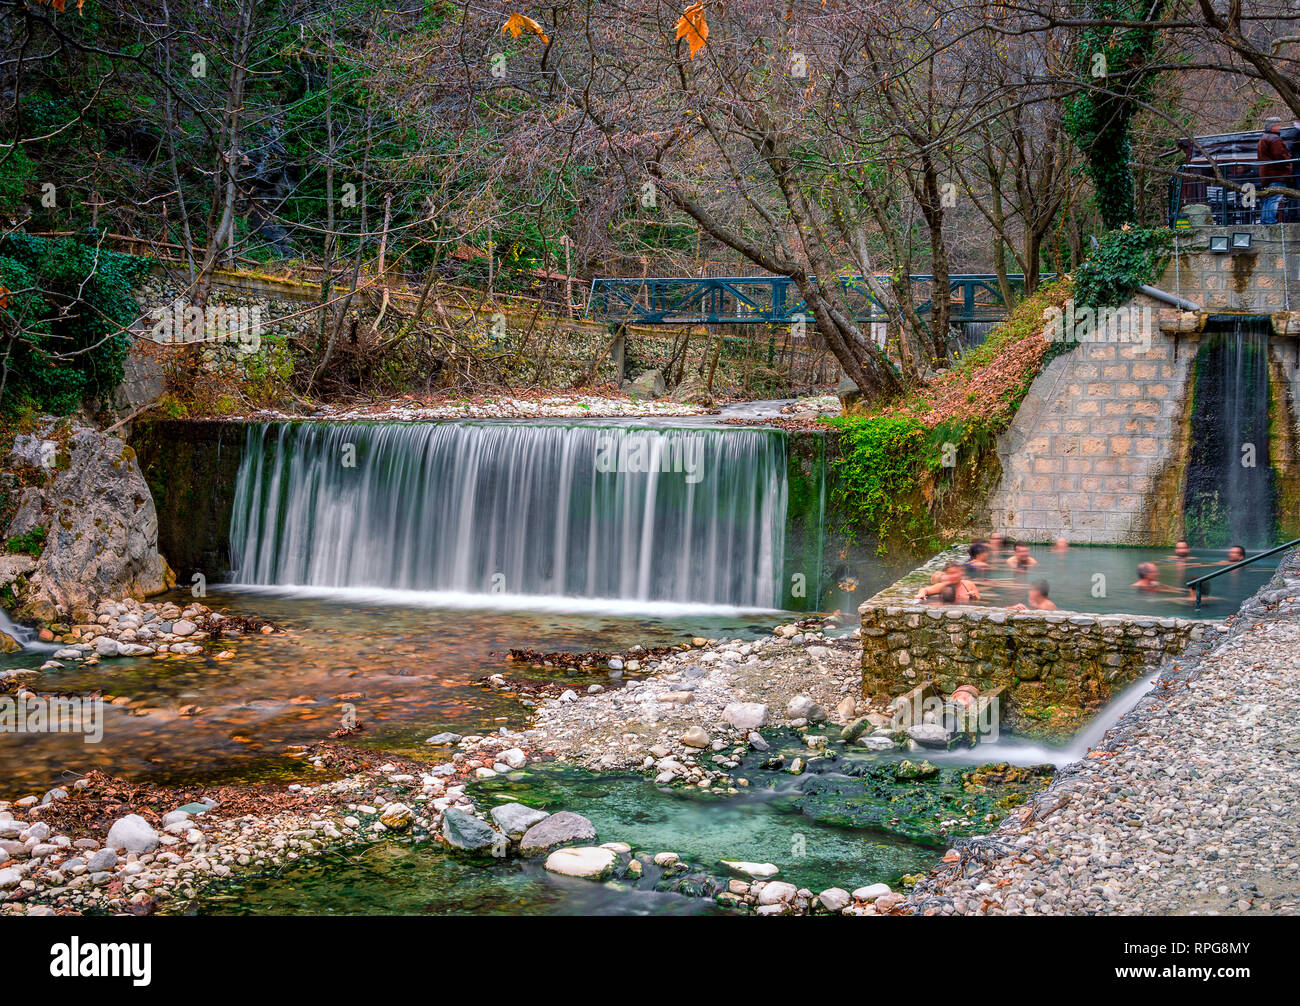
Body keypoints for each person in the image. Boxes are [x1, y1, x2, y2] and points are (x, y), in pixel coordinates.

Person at [1257, 122, 1293, 224]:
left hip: (1267, 175)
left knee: (1269, 199)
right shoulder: (1274, 139)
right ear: (1273, 127)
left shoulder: (1263, 138)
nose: (1280, 127)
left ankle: (1265, 220)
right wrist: (1288, 162)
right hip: (1277, 174)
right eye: (1278, 125)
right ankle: (1270, 221)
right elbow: (1280, 156)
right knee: (1275, 199)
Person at [915, 563, 980, 604]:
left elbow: (978, 600)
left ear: (961, 573)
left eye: (955, 573)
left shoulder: (969, 584)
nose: (953, 576)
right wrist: (921, 594)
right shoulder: (943, 586)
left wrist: (974, 597)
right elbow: (924, 589)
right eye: (950, 573)